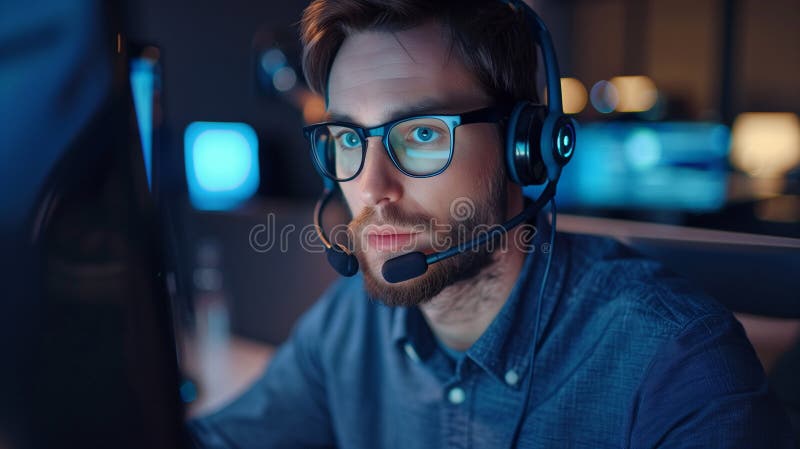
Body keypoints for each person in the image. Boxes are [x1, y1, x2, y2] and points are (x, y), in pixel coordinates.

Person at [188, 1, 793, 447]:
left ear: (522, 147)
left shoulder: (676, 363)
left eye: (422, 134)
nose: (371, 187)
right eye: (348, 138)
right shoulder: (353, 323)